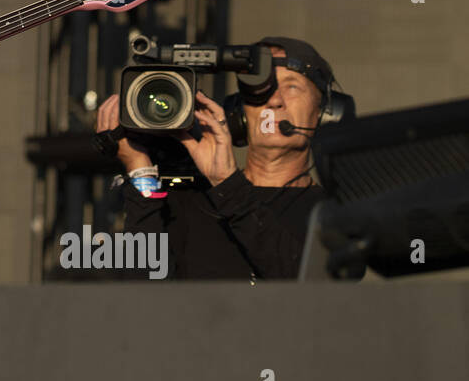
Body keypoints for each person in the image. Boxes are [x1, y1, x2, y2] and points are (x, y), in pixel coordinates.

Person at [96, 37, 338, 279]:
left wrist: (227, 184)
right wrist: (140, 170)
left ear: (324, 113)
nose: (275, 101)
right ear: (239, 111)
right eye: (261, 88)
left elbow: (310, 283)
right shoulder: (189, 200)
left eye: (292, 86)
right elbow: (139, 293)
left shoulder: (335, 211)